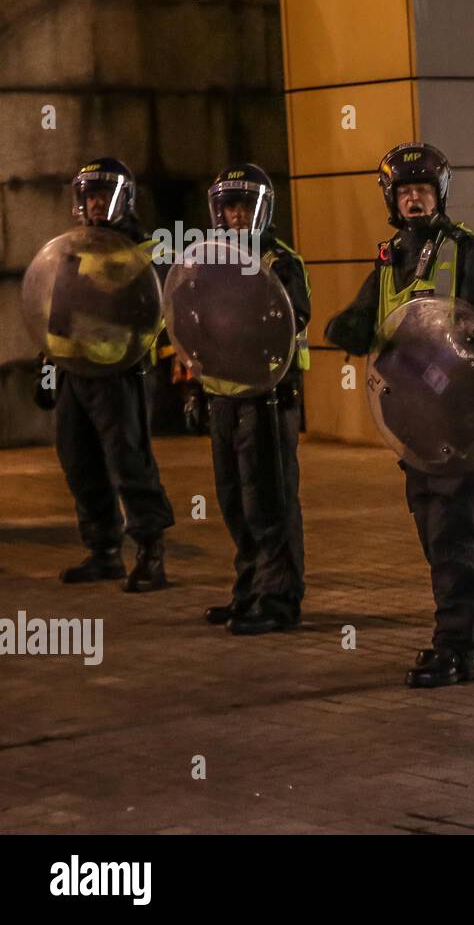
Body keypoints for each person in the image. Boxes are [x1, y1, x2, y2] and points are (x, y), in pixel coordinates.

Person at [325, 142, 474, 687]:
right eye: (404, 192)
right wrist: (348, 328)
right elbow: (367, 317)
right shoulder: (389, 258)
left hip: (460, 417)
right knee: (437, 531)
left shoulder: (468, 253)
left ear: (441, 194)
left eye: (422, 191)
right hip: (413, 421)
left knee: (454, 533)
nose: (413, 201)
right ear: (390, 198)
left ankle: (455, 647)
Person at [48, 158, 174, 592]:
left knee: (129, 461)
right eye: (90, 196)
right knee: (78, 460)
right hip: (73, 370)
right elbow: (57, 313)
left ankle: (150, 553)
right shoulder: (72, 248)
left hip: (122, 371)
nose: (96, 204)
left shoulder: (145, 248)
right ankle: (103, 551)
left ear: (124, 199)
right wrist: (47, 368)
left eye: (103, 196)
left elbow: (150, 313)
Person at [200, 164, 312, 635]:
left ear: (262, 210)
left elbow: (292, 319)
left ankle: (279, 596)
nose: (237, 215)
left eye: (245, 206)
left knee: (269, 497)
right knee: (233, 499)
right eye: (230, 207)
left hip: (268, 394)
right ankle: (248, 588)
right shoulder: (206, 259)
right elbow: (189, 319)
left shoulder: (281, 262)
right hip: (222, 394)